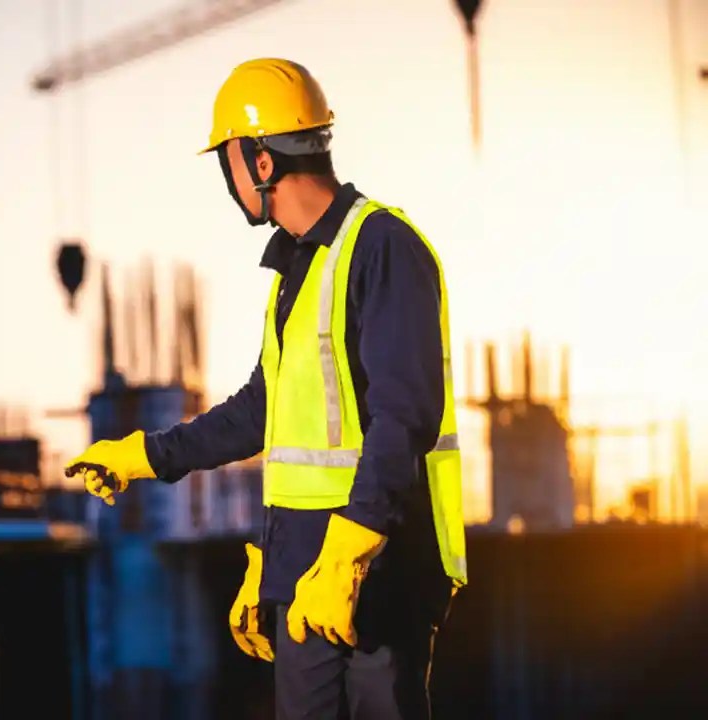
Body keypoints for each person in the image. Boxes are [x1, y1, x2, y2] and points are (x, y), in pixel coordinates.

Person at [64, 58, 468, 720]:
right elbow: (264, 412)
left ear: (258, 162)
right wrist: (142, 457)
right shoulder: (296, 268)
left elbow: (405, 416)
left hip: (375, 570)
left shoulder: (381, 246)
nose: (228, 179)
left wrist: (349, 553)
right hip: (306, 578)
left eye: (229, 159)